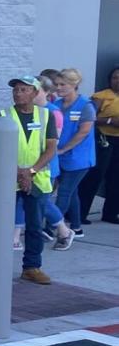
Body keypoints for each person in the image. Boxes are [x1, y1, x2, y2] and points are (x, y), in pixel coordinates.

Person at [3, 76, 57, 286]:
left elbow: (50, 147)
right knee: (0, 225)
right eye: (15, 90)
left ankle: (32, 267)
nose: (18, 93)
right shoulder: (4, 115)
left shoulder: (45, 115)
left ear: (35, 93)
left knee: (34, 226)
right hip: (8, 178)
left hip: (37, 179)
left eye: (24, 89)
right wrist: (19, 172)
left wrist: (30, 171)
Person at [52, 68, 95, 240]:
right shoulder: (56, 105)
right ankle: (76, 227)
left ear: (74, 84)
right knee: (72, 192)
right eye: (56, 84)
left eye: (63, 84)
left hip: (78, 159)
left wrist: (64, 149)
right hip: (60, 156)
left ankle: (50, 227)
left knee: (63, 193)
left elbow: (83, 132)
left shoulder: (86, 106)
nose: (59, 88)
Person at [79, 65, 119, 224]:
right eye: (115, 77)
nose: (118, 81)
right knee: (95, 176)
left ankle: (111, 213)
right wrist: (110, 121)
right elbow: (89, 116)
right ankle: (80, 214)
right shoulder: (101, 96)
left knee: (116, 178)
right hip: (103, 139)